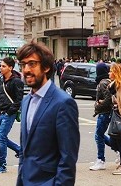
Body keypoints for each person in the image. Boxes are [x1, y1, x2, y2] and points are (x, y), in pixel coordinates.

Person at [15, 41, 78, 186]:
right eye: (23, 65)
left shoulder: (63, 103)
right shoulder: (26, 101)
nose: (26, 70)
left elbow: (68, 158)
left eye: (32, 64)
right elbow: (25, 151)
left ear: (46, 67)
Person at [0, 58, 24, 175]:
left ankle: (2, 165)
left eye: (4, 66)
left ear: (10, 68)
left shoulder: (17, 82)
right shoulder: (0, 80)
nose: (1, 68)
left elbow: (19, 100)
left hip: (8, 114)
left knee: (1, 137)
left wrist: (10, 112)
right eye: (1, 66)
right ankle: (20, 150)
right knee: (2, 138)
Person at [88, 61, 115, 171]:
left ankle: (101, 160)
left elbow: (108, 98)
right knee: (99, 135)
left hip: (104, 113)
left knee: (98, 136)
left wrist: (99, 105)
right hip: (105, 113)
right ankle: (118, 149)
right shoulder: (105, 81)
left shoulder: (103, 83)